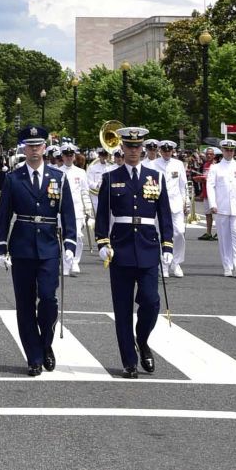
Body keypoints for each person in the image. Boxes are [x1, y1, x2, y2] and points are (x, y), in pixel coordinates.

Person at [0, 125, 78, 378]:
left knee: (48, 298)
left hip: (49, 245)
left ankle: (46, 342)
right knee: (25, 303)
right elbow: (5, 213)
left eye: (38, 145)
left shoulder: (58, 177)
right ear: (24, 148)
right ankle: (33, 355)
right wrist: (1, 246)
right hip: (21, 245)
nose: (34, 150)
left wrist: (70, 243)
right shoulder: (13, 178)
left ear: (45, 147)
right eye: (30, 146)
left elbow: (68, 213)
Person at [94, 130, 173, 378]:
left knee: (151, 300)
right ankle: (129, 361)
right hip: (121, 246)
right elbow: (103, 215)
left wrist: (168, 244)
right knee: (123, 307)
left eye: (137, 147)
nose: (133, 151)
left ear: (143, 149)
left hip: (148, 245)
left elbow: (165, 214)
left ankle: (143, 339)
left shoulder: (155, 177)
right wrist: (102, 241)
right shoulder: (111, 178)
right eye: (128, 146)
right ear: (122, 148)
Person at [205, 139, 236, 277]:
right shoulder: (215, 168)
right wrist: (213, 204)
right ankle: (227, 265)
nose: (229, 152)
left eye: (231, 150)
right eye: (226, 150)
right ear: (222, 151)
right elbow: (210, 186)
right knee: (224, 237)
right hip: (221, 207)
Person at [157, 139, 188, 277]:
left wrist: (186, 202)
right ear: (160, 151)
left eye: (169, 150)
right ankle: (163, 265)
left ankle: (176, 262)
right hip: (159, 204)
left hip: (176, 204)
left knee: (179, 233)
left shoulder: (178, 164)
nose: (167, 152)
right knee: (161, 234)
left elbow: (183, 185)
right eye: (164, 150)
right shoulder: (153, 165)